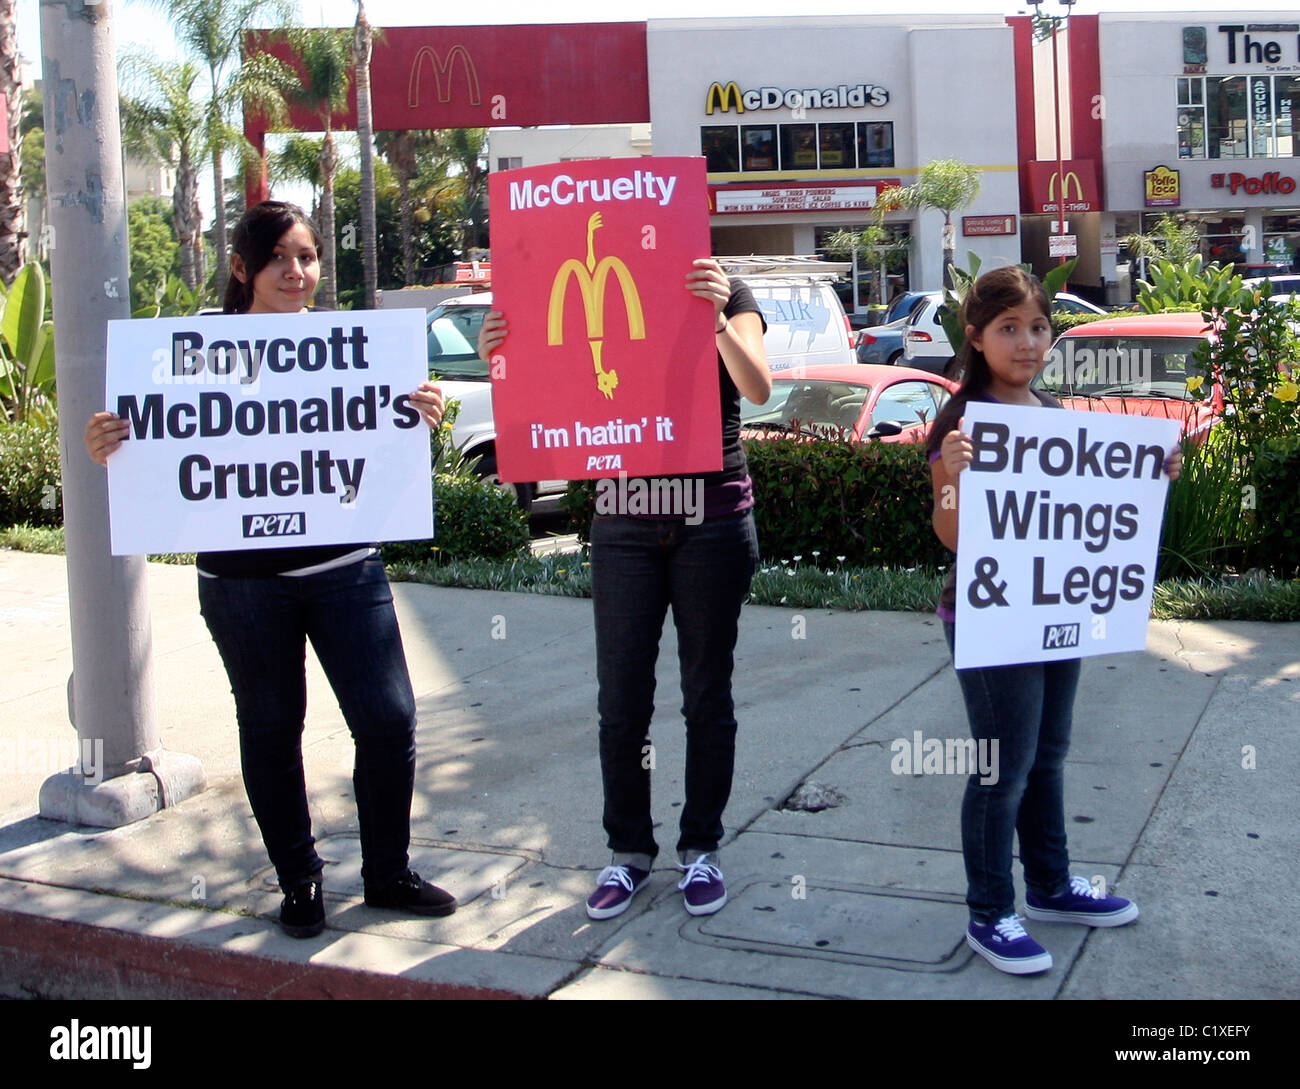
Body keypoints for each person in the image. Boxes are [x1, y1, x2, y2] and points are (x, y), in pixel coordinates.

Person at [85, 201, 453, 939]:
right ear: (243, 268)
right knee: (271, 728)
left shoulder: (355, 348)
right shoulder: (191, 353)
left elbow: (384, 458)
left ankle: (387, 871)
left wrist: (424, 414)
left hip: (346, 567)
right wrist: (109, 442)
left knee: (389, 719)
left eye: (309, 256)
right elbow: (156, 447)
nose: (297, 271)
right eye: (280, 256)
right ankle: (300, 881)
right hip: (243, 582)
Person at [478, 258, 770, 919]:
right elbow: (548, 398)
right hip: (624, 520)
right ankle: (629, 852)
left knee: (707, 692)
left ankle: (701, 849)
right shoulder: (598, 297)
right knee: (622, 700)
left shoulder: (728, 290)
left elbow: (756, 386)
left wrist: (718, 318)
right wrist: (498, 354)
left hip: (713, 519)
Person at [927, 265, 1182, 975]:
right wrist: (953, 476)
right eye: (1009, 328)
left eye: (1038, 326)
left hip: (1055, 611)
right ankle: (990, 911)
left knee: (1048, 753)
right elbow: (950, 535)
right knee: (1000, 767)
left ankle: (1050, 884)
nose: (1028, 341)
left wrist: (1151, 473)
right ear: (976, 338)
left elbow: (1091, 509)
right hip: (987, 616)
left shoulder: (1053, 414)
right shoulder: (963, 420)